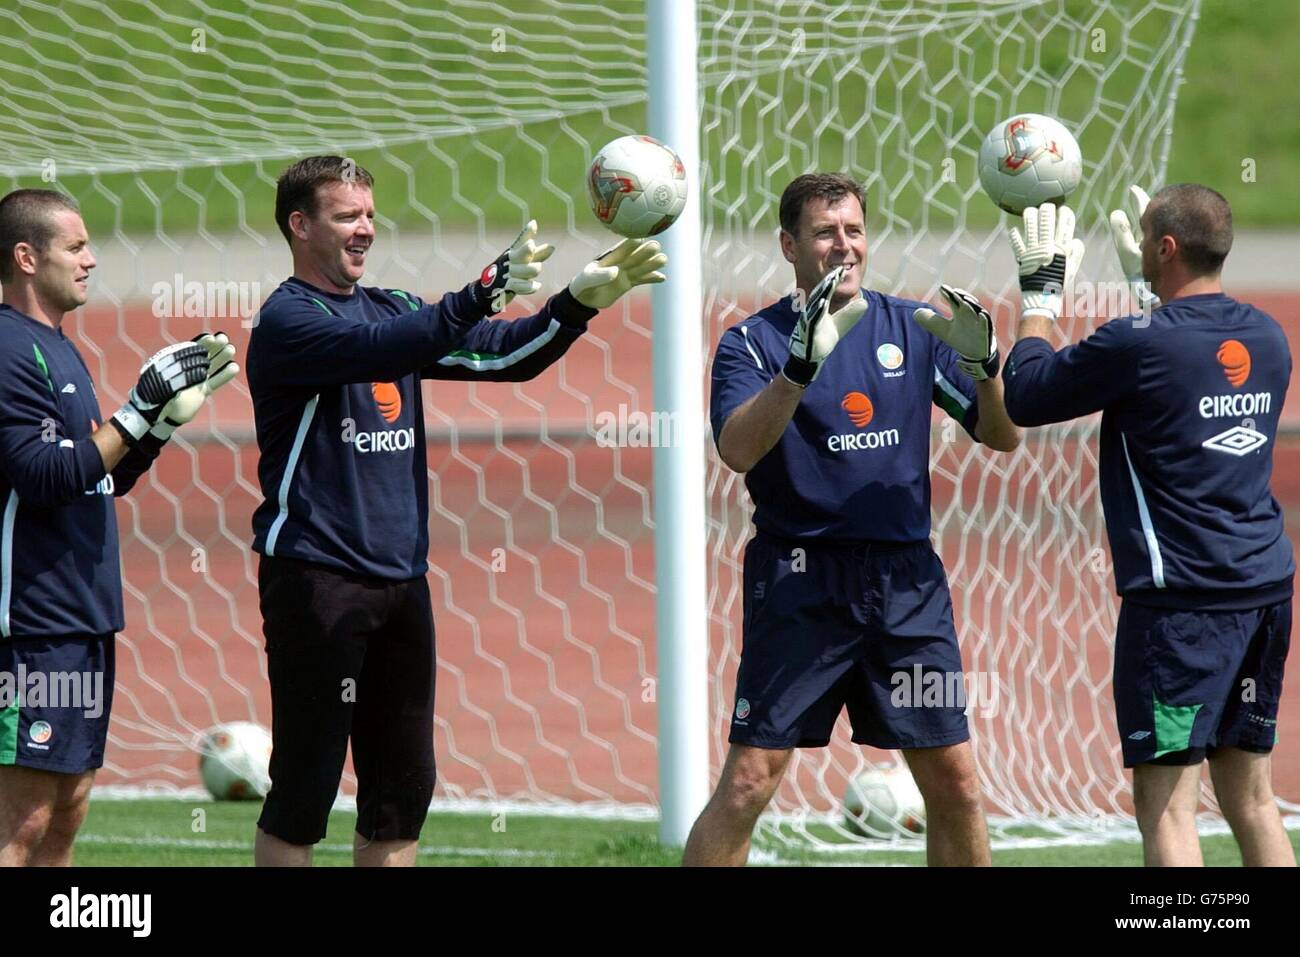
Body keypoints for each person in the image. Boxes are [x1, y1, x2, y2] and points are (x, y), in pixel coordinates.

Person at [247, 155, 667, 866]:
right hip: (316, 579)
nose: (365, 229)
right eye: (346, 216)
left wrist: (575, 305)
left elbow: (503, 357)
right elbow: (379, 349)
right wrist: (478, 292)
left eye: (370, 215)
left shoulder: (396, 307)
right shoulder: (290, 319)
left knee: (402, 789)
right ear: (299, 224)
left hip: (400, 580)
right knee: (304, 789)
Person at [684, 172, 1021, 866]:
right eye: (825, 232)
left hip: (907, 590)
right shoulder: (751, 342)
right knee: (749, 782)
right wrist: (796, 373)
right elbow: (738, 448)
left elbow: (1004, 434)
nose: (845, 244)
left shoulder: (913, 329)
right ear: (789, 245)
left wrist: (987, 368)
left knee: (955, 783)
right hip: (799, 586)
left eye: (854, 229)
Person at [1001, 185, 1296, 866]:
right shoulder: (1267, 335)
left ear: (1163, 248)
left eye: (1144, 237)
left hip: (1180, 613)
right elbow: (1187, 382)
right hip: (1263, 594)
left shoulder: (1137, 344)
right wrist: (1153, 301)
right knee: (1251, 798)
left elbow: (1025, 393)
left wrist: (1041, 301)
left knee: (1167, 808)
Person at [0, 188, 235, 866]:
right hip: (33, 627)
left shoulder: (56, 348)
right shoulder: (10, 348)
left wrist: (156, 426)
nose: (91, 260)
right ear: (26, 256)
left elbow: (97, 477)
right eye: (76, 247)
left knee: (66, 811)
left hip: (85, 619)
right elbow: (41, 476)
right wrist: (134, 412)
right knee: (22, 820)